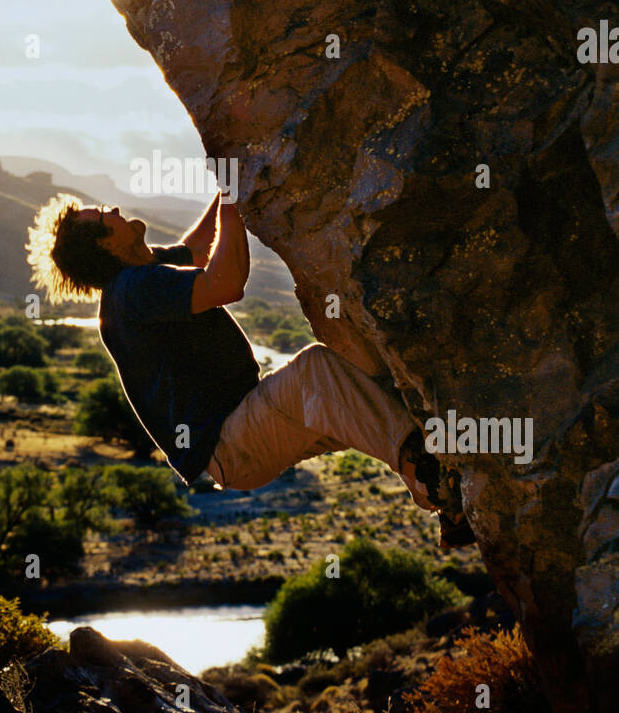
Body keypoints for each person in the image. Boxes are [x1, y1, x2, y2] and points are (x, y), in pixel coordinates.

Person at [26, 191, 474, 549]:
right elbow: (226, 282)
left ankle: (444, 505)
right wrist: (238, 203)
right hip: (231, 442)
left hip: (241, 435)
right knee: (317, 370)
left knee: (359, 388)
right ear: (107, 243)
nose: (116, 209)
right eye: (106, 214)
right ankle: (435, 478)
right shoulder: (133, 289)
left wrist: (227, 189)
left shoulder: (142, 270)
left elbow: (200, 249)